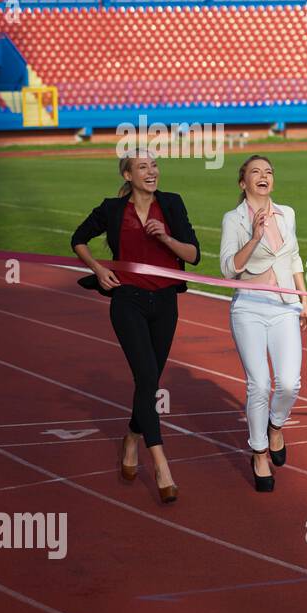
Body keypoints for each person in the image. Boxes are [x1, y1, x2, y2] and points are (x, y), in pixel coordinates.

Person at [71, 151, 201, 504]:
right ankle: (161, 464)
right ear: (127, 175)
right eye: (143, 167)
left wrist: (166, 239)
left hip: (165, 302)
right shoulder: (112, 210)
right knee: (145, 378)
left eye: (154, 165)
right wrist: (99, 270)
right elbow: (78, 239)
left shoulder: (172, 204)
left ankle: (131, 438)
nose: (152, 171)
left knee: (150, 380)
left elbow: (192, 254)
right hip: (127, 301)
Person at [219, 155, 307, 493]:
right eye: (255, 172)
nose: (264, 176)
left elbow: (295, 255)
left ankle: (276, 424)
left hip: (285, 305)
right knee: (259, 384)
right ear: (243, 183)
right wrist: (255, 236)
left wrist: (304, 299)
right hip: (249, 308)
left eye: (269, 171)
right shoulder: (234, 219)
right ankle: (258, 452)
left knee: (289, 384)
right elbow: (228, 269)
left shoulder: (287, 214)